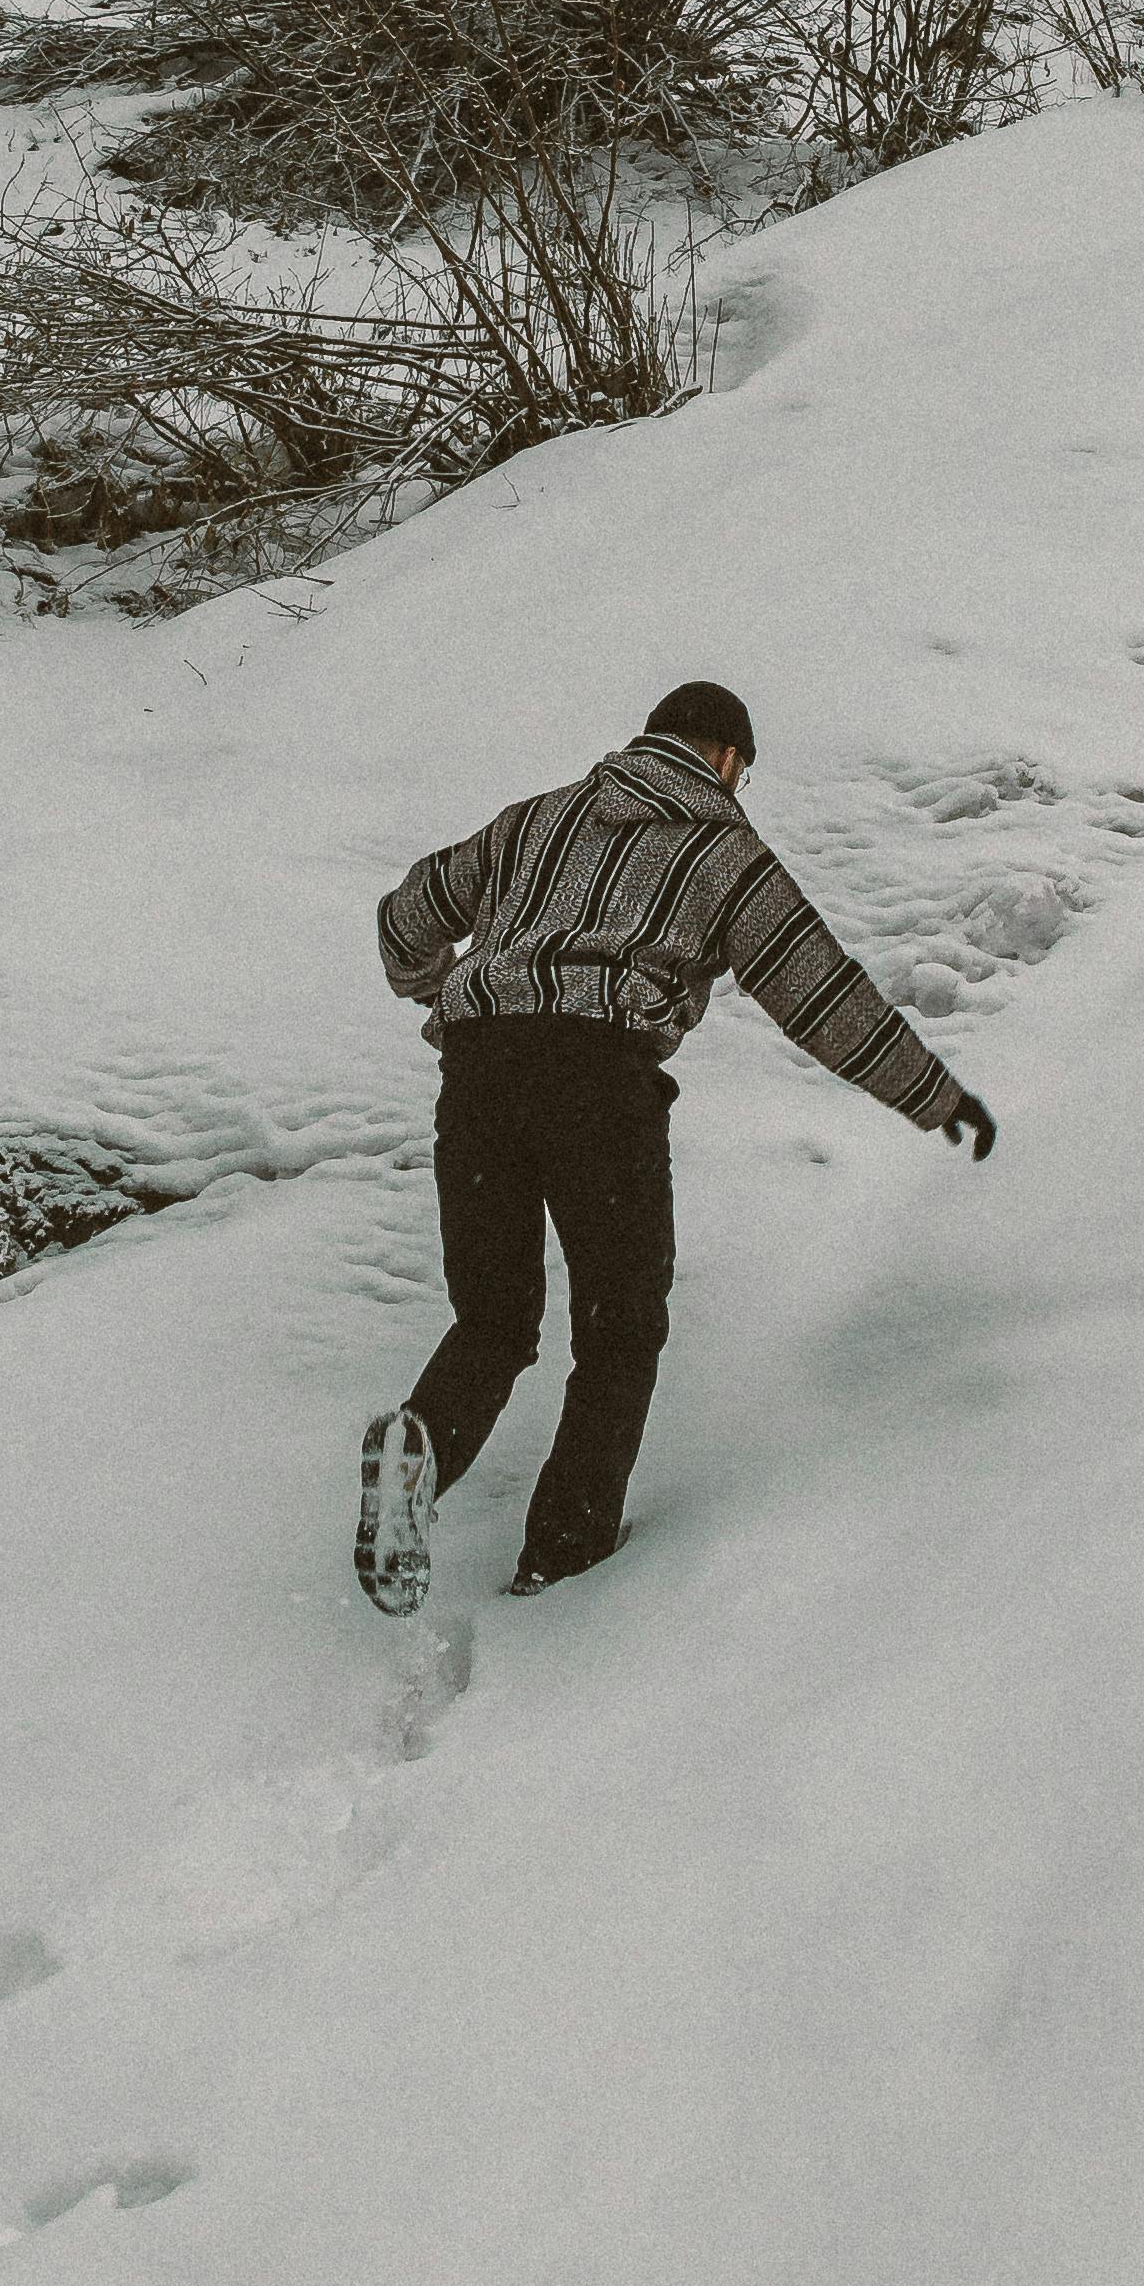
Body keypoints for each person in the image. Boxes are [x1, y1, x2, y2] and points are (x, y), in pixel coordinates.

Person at [353, 678, 996, 1615]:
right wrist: (932, 1094)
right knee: (620, 1329)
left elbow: (406, 916)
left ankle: (415, 1458)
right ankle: (561, 1562)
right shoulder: (723, 852)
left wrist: (434, 983)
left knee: (493, 1320)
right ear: (727, 759)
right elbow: (818, 993)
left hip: (480, 1075)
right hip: (597, 1082)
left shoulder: (531, 821)